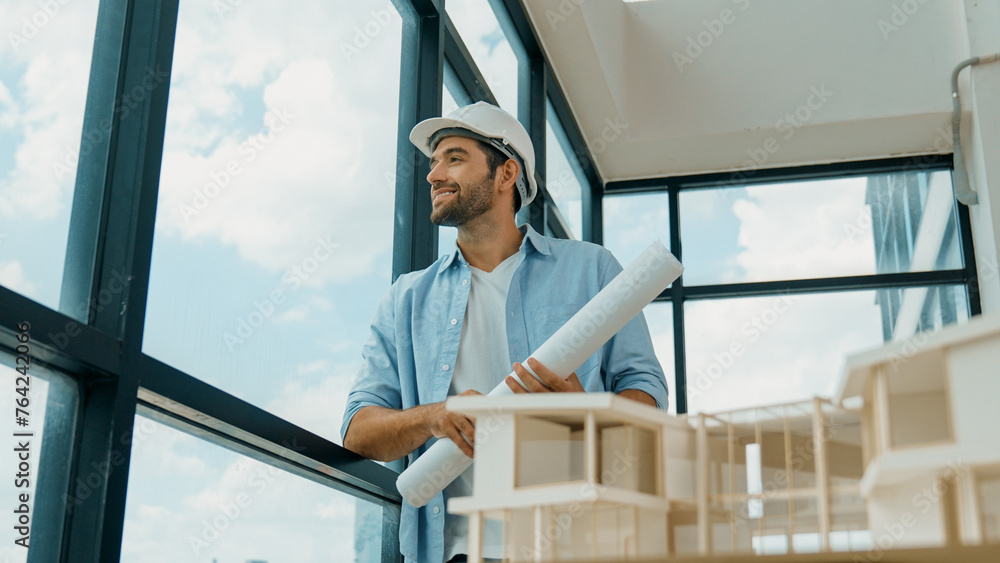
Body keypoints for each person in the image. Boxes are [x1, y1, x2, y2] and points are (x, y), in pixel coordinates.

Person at [341, 101, 668, 563]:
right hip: (455, 553)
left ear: (506, 173)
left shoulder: (591, 271)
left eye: (454, 157)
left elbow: (649, 397)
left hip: (579, 545)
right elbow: (358, 431)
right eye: (433, 163)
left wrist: (585, 413)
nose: (433, 175)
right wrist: (435, 416)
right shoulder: (406, 299)